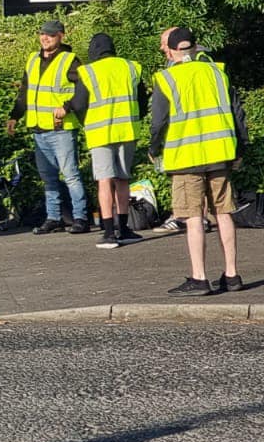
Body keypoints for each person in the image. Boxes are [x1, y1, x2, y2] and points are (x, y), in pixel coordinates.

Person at [150, 27, 248, 296]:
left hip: (185, 157)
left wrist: (153, 148)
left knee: (193, 217)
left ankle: (199, 278)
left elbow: (159, 122)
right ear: (194, 47)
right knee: (223, 213)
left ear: (171, 51)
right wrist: (241, 147)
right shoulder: (217, 71)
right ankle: (232, 274)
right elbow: (237, 111)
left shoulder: (166, 78)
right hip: (220, 154)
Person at [65, 33, 148, 250]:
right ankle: (125, 227)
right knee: (122, 179)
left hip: (100, 133)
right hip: (128, 130)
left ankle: (109, 231)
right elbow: (142, 98)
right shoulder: (131, 67)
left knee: (104, 180)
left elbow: (80, 103)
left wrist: (87, 122)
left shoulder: (88, 71)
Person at [6, 19, 89, 234]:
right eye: (42, 34)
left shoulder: (70, 60)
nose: (45, 38)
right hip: (38, 128)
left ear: (61, 36)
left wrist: (68, 106)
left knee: (70, 175)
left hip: (60, 129)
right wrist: (15, 116)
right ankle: (53, 217)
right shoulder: (33, 59)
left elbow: (84, 89)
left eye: (50, 35)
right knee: (48, 178)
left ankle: (80, 217)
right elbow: (25, 91)